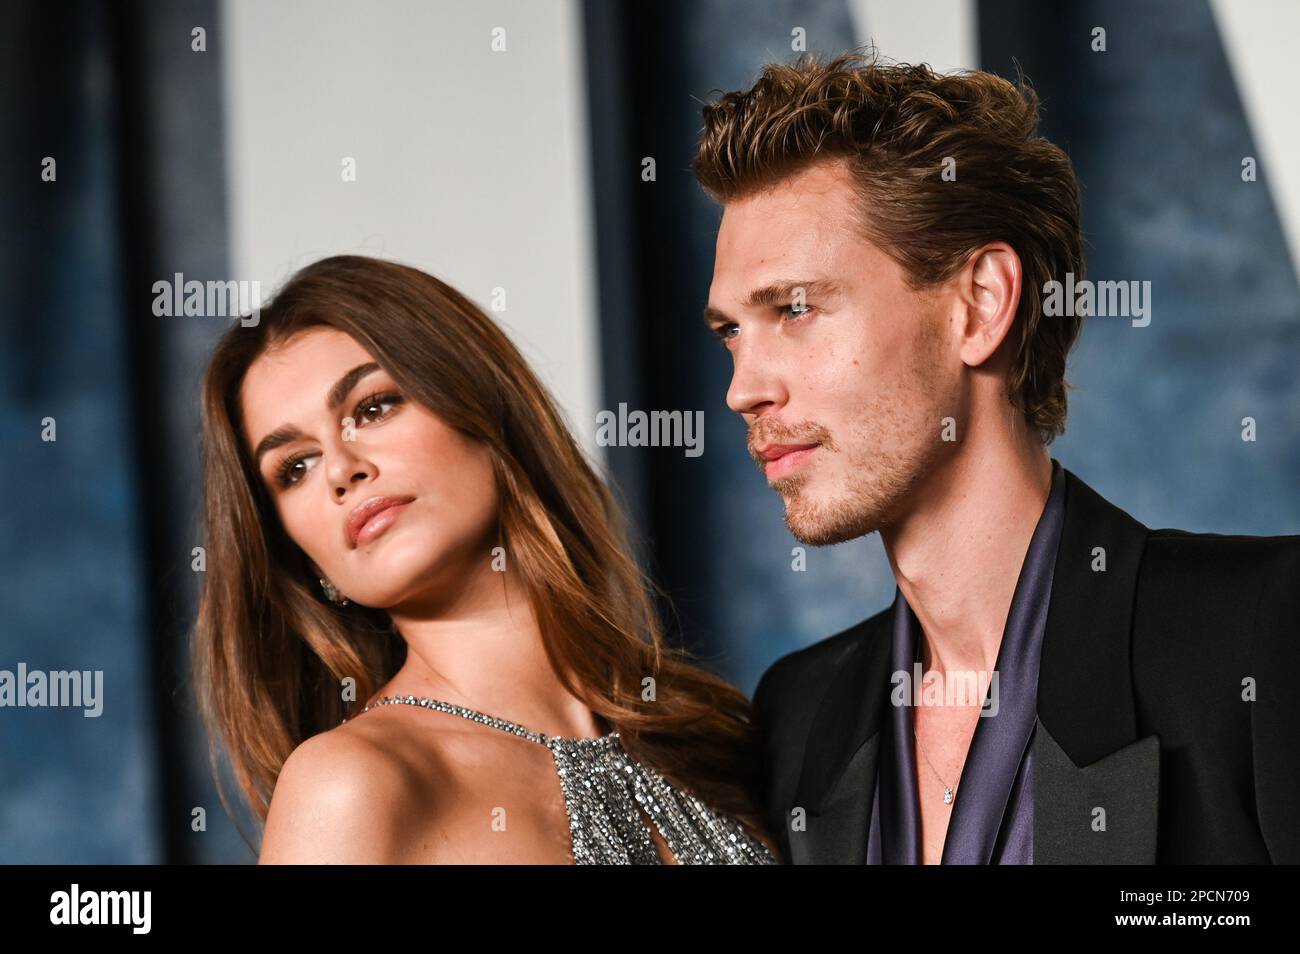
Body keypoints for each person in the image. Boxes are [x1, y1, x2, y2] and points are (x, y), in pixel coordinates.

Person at [691, 51, 1300, 864]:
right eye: (732, 330)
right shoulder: (801, 715)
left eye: (796, 308)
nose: (743, 389)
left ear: (979, 305)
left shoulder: (1263, 635)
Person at [191, 254, 779, 864]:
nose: (341, 469)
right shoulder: (351, 784)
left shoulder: (708, 736)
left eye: (373, 408)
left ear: (480, 404)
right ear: (298, 554)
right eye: (295, 468)